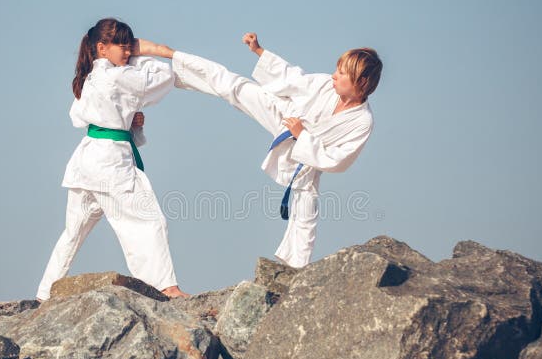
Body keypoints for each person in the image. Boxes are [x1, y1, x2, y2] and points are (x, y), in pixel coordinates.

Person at [136, 33, 382, 268]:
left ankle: (296, 268)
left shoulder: (362, 122)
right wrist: (259, 51)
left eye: (341, 73)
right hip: (284, 116)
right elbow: (293, 78)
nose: (333, 76)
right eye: (337, 70)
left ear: (360, 82)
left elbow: (339, 160)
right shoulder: (324, 85)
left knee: (307, 205)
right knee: (234, 85)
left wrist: (303, 136)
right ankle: (171, 60)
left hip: (305, 151)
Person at [36, 18, 190, 301]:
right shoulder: (118, 76)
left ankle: (44, 294)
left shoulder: (91, 77)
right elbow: (163, 78)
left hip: (88, 161)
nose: (128, 50)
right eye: (123, 44)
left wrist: (132, 123)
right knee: (148, 220)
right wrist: (154, 50)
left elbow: (80, 116)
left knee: (73, 233)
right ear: (102, 48)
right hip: (110, 164)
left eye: (130, 44)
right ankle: (163, 287)